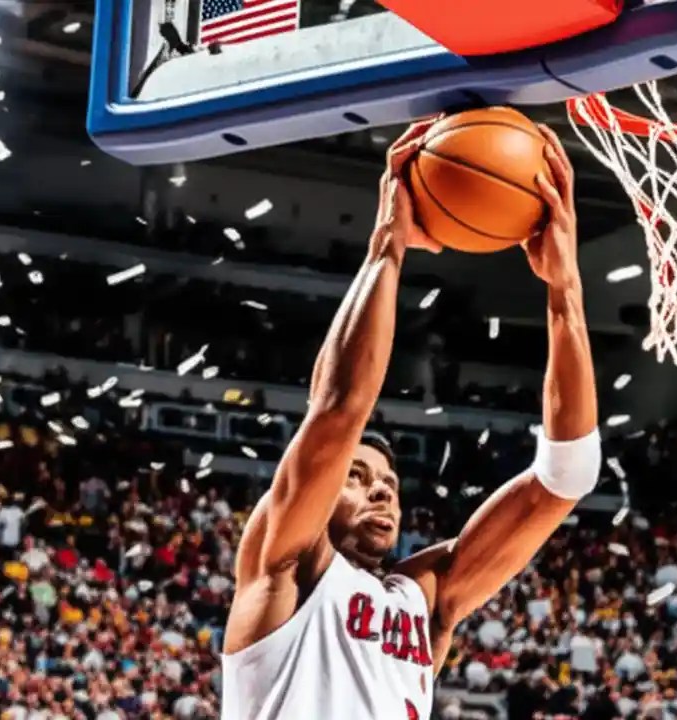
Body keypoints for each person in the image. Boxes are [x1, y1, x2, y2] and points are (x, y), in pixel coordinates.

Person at [220, 117, 599, 720]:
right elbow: (339, 410)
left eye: (389, 485)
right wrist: (388, 246)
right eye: (359, 477)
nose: (382, 491)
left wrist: (566, 290)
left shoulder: (423, 601)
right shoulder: (284, 566)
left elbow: (565, 478)